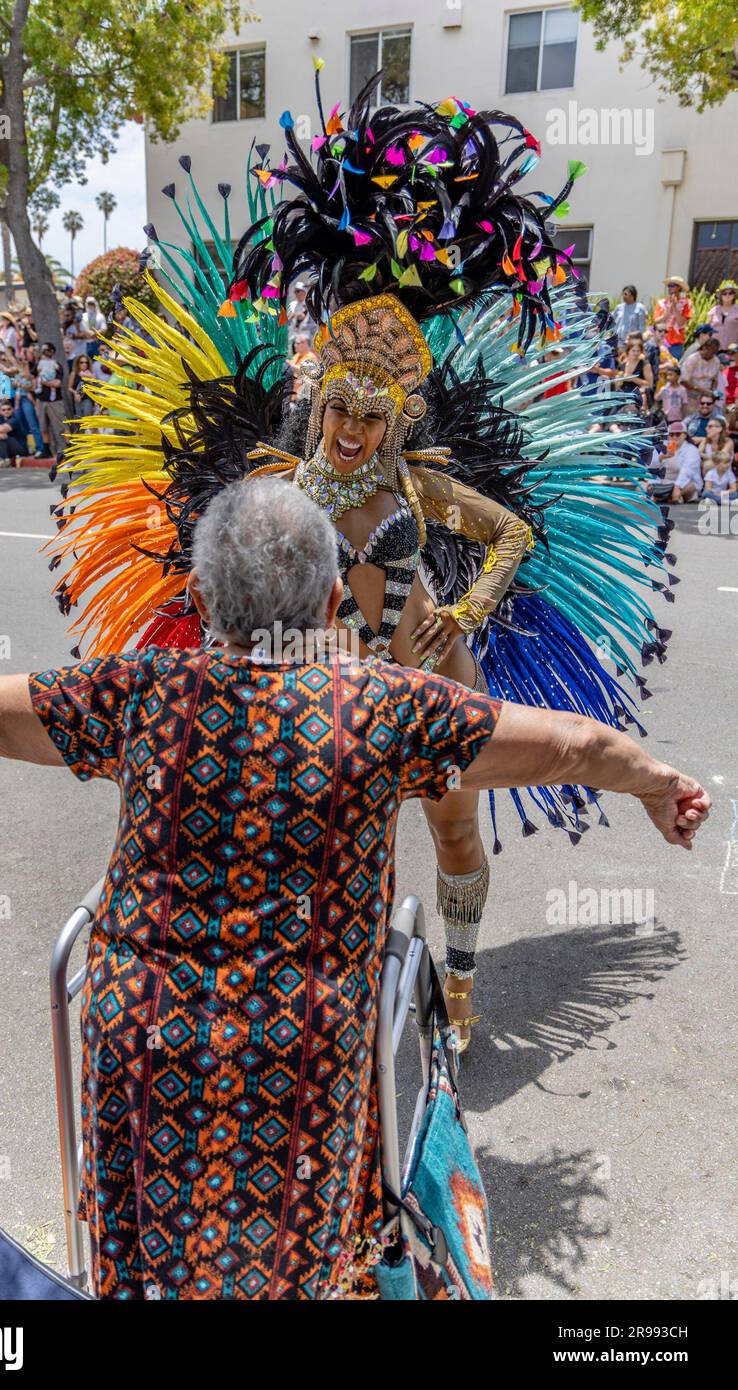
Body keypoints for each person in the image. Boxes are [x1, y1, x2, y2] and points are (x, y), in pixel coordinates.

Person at [0, 478, 710, 1301]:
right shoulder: (384, 710)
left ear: (202, 597)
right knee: (297, 1269)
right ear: (330, 603)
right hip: (303, 1062)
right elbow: (569, 744)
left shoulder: (140, 690)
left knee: (146, 1265)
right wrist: (657, 784)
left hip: (138, 1042)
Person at [56, 74, 672, 1055]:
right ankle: (314, 996)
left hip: (427, 677)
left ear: (394, 418)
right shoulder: (274, 486)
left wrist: (465, 613)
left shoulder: (424, 490)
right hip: (321, 690)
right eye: (336, 409)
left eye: (367, 415)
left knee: (456, 836)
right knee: (320, 847)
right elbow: (223, 572)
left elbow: (510, 533)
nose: (347, 430)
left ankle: (458, 987)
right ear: (319, 403)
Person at [650, 422, 702, 503]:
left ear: (685, 435)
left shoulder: (692, 450)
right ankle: (667, 496)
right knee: (640, 487)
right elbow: (650, 466)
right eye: (671, 434)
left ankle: (662, 497)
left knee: (691, 487)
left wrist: (678, 486)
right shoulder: (662, 446)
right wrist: (661, 457)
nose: (674, 437)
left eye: (678, 434)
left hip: (683, 483)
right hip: (663, 483)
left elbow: (687, 471)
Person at [34, 341, 67, 457]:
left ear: (52, 352)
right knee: (43, 427)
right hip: (41, 400)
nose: (43, 351)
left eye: (46, 349)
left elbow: (57, 383)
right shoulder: (38, 364)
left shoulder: (57, 365)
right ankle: (46, 450)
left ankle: (66, 450)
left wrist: (43, 382)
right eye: (42, 349)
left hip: (55, 401)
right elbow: (32, 378)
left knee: (60, 427)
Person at [680, 334, 722, 413]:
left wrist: (712, 392)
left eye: (714, 352)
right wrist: (700, 390)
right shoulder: (693, 359)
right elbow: (683, 380)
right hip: (691, 395)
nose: (712, 354)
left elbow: (714, 380)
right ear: (704, 348)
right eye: (711, 351)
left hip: (706, 397)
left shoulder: (716, 361)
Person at [653, 276, 692, 359]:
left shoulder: (686, 303)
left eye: (672, 285)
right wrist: (666, 313)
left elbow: (682, 322)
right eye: (669, 285)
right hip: (661, 341)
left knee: (673, 369)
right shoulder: (661, 303)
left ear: (679, 288)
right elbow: (656, 322)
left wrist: (674, 307)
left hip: (676, 343)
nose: (669, 288)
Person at [707, 280, 738, 349]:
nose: (728, 295)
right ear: (721, 296)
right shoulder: (714, 310)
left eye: (730, 293)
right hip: (714, 348)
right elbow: (707, 328)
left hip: (733, 349)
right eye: (725, 293)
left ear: (734, 295)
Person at [286, 332, 318, 399]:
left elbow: (302, 371)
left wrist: (288, 364)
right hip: (293, 395)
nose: (295, 345)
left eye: (297, 343)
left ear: (305, 343)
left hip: (303, 397)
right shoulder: (296, 355)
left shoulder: (311, 357)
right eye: (295, 343)